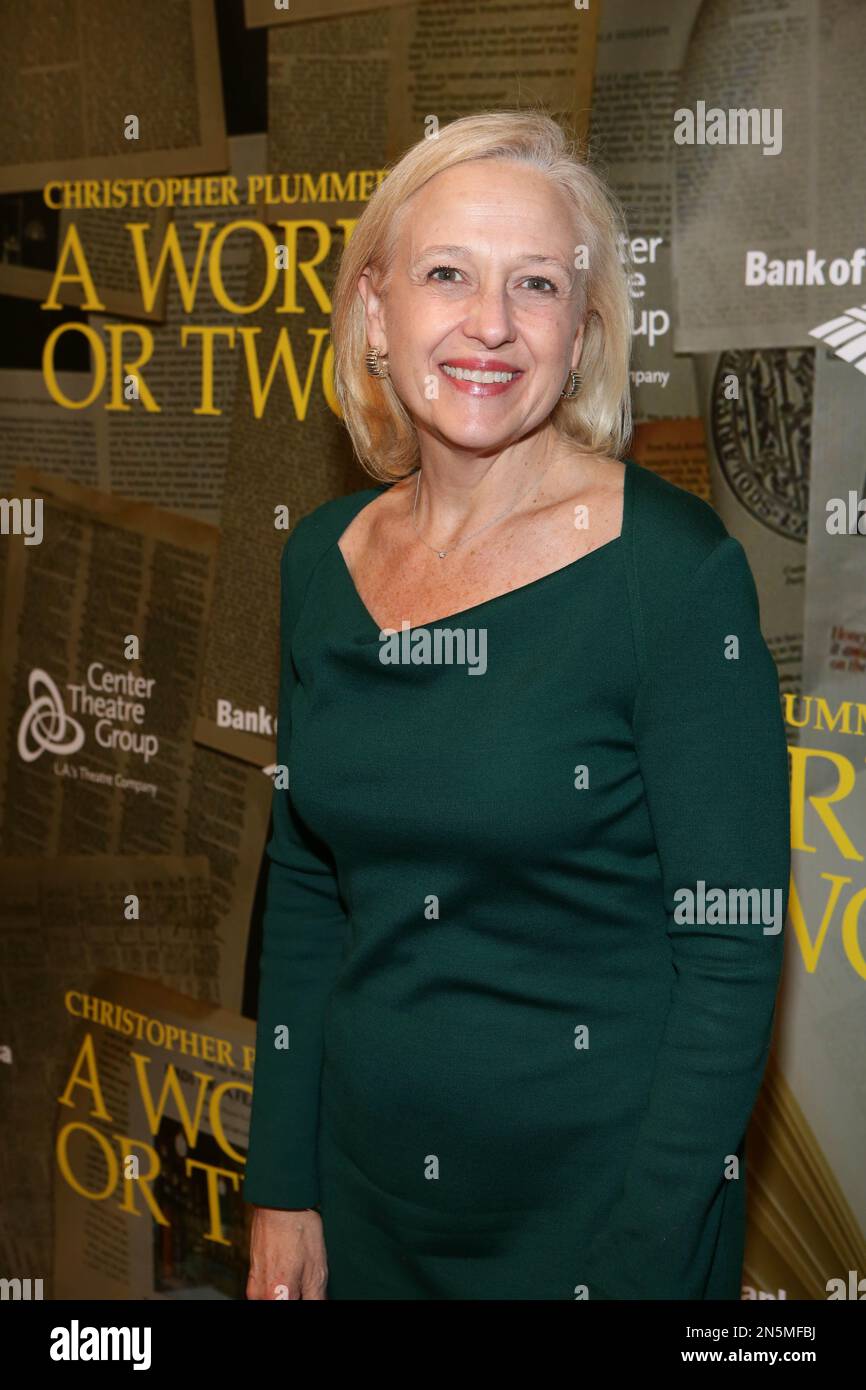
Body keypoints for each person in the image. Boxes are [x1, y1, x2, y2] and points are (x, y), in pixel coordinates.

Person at [244, 110, 790, 1300]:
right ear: (375, 311)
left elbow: (730, 953)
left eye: (534, 285)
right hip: (363, 1197)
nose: (489, 325)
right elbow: (301, 888)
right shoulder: (320, 561)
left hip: (598, 1223)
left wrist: (641, 1266)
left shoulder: (668, 570)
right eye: (447, 274)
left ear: (582, 333)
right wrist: (282, 1177)